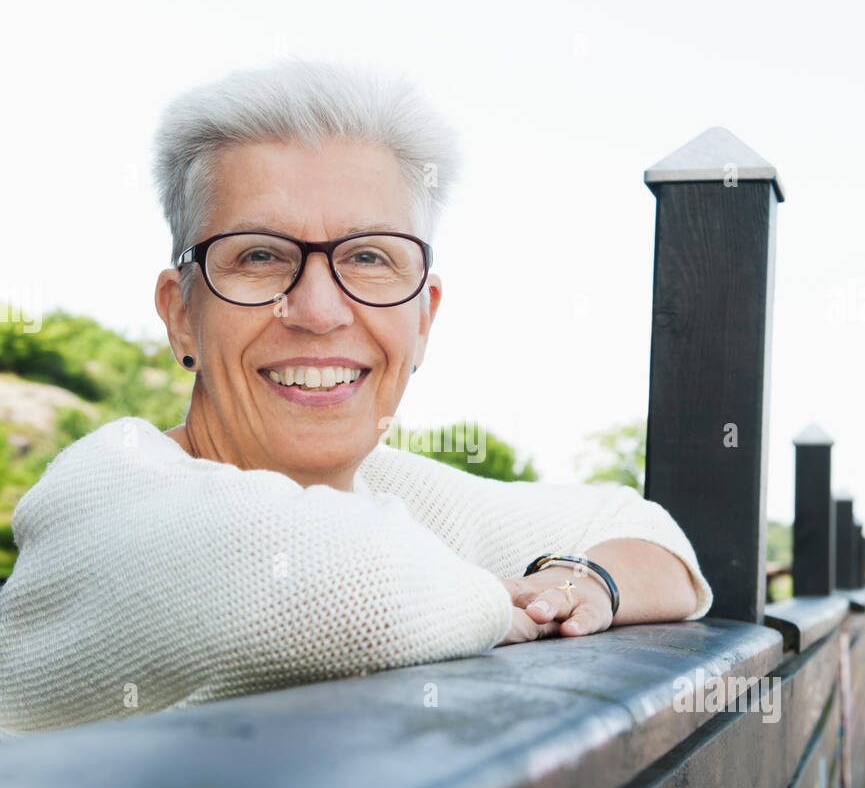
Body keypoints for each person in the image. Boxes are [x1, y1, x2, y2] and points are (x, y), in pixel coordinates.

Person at [0, 58, 712, 736]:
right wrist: (499, 601)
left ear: (424, 318)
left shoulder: (388, 491)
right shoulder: (105, 488)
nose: (317, 310)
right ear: (181, 312)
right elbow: (353, 590)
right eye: (259, 254)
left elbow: (642, 530)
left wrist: (576, 580)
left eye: (368, 258)